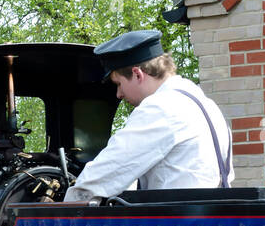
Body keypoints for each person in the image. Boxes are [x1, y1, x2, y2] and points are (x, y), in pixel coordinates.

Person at [63, 29, 233, 202]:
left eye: (119, 84)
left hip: (175, 223)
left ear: (138, 74)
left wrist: (66, 209)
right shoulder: (206, 105)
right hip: (207, 219)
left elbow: (109, 171)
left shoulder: (161, 108)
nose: (118, 94)